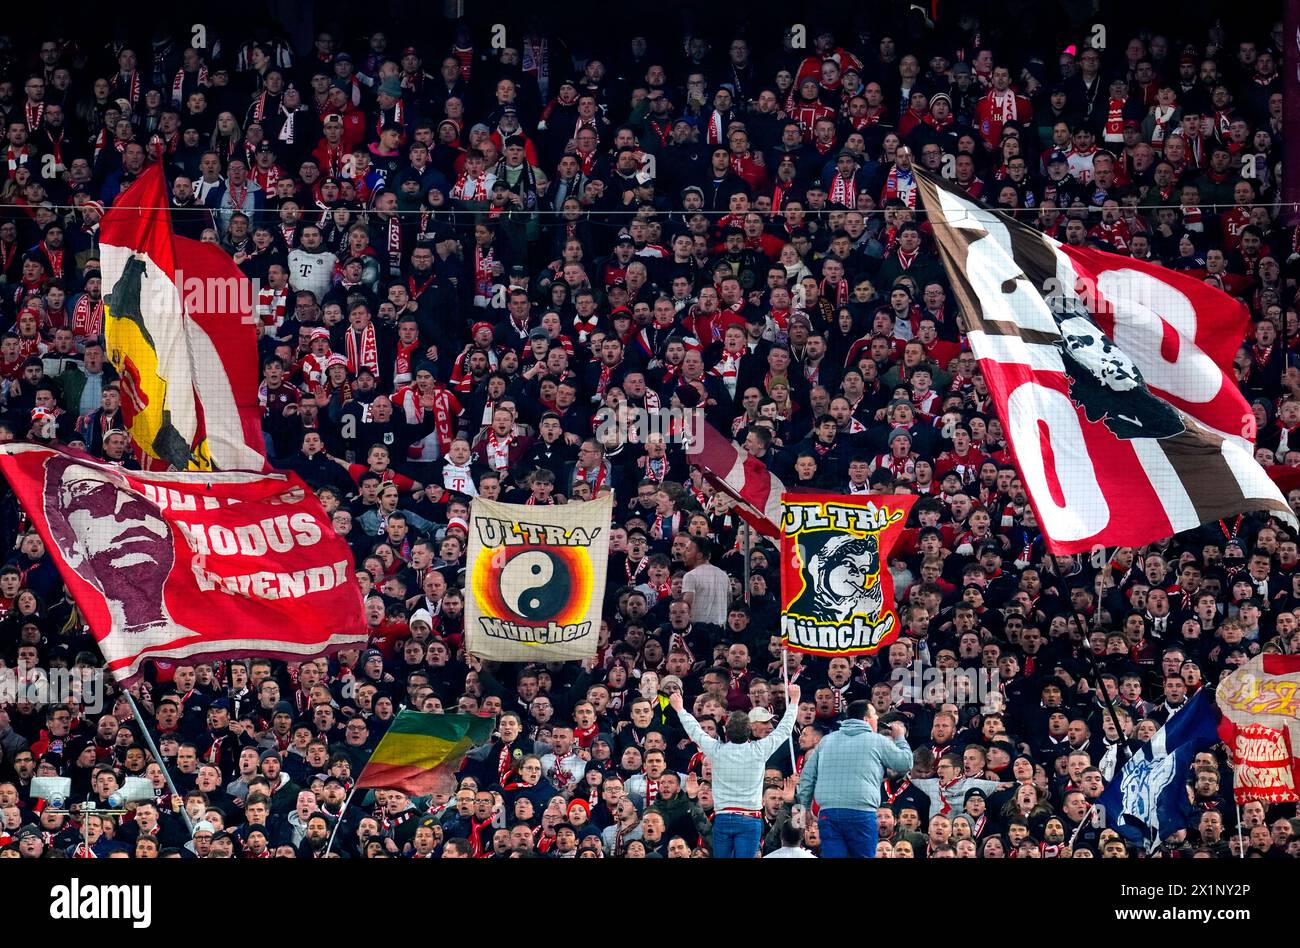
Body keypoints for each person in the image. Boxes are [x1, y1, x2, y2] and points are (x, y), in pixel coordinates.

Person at [669, 682, 799, 857]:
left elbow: (695, 730)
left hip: (722, 818)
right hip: (750, 819)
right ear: (749, 730)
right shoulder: (759, 750)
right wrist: (794, 701)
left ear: (726, 732)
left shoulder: (716, 750)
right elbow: (784, 730)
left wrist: (680, 709)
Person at [796, 700, 913, 857]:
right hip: (861, 814)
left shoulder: (826, 741)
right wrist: (900, 738)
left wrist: (805, 807)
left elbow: (807, 776)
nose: (877, 721)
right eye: (875, 717)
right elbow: (905, 763)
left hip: (828, 814)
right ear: (866, 719)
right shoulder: (877, 741)